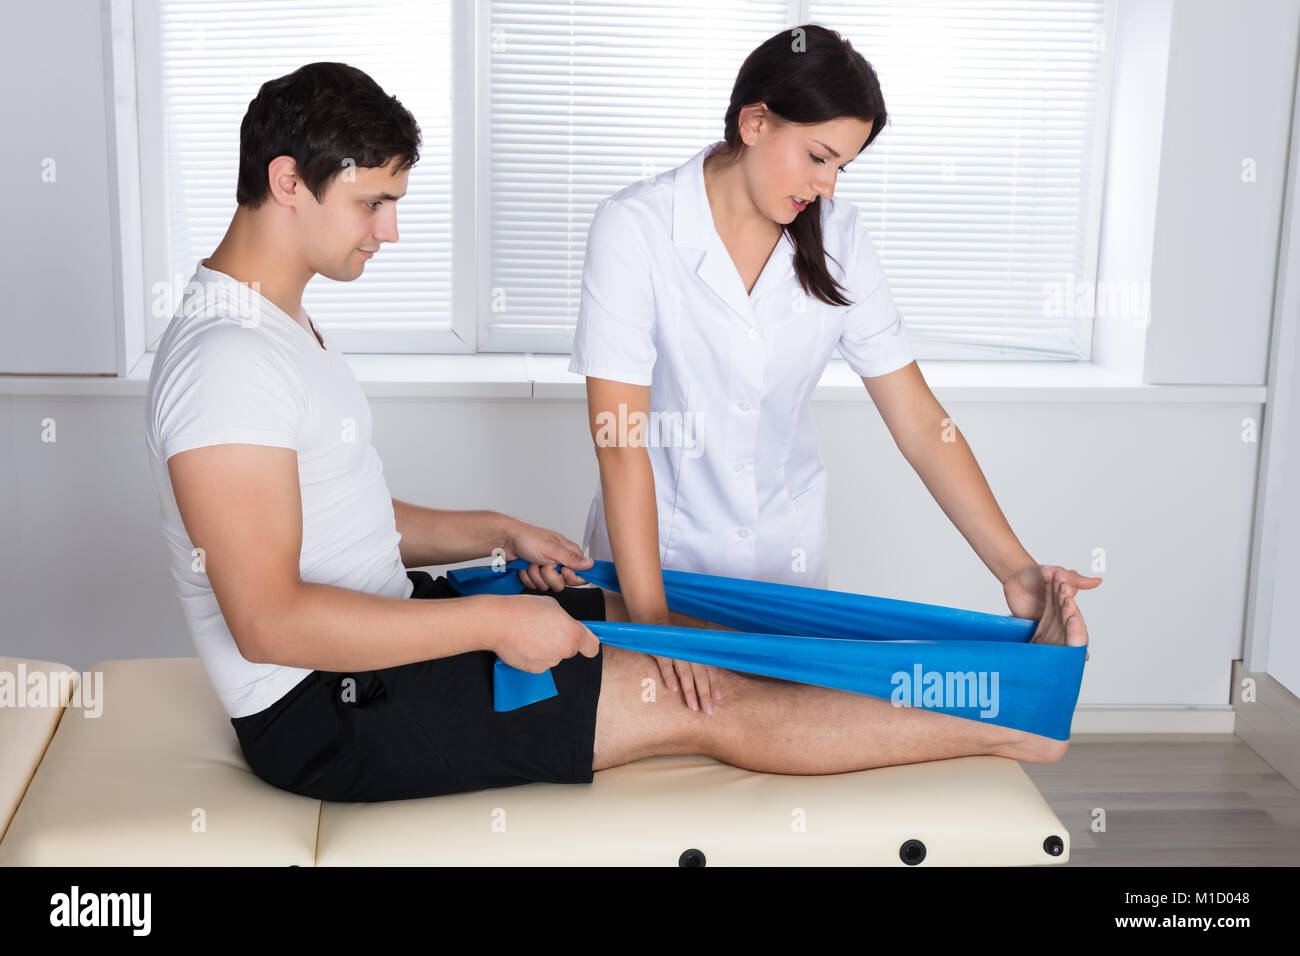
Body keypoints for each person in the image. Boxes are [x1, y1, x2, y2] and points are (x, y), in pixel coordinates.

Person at [145, 60, 1085, 806]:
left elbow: (324, 516)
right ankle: (1017, 720)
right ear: (288, 183)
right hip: (328, 713)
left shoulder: (275, 328)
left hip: (390, 642)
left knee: (722, 650)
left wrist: (492, 533)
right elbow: (268, 622)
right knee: (713, 698)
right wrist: (491, 619)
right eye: (373, 204)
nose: (388, 233)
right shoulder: (228, 362)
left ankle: (1003, 681)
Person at [565, 25, 1100, 715]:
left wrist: (1016, 569)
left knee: (779, 770)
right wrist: (652, 624)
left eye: (842, 165)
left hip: (783, 568)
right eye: (819, 156)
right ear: (754, 121)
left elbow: (919, 422)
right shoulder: (635, 228)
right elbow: (620, 442)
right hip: (657, 573)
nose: (827, 185)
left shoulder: (841, 240)